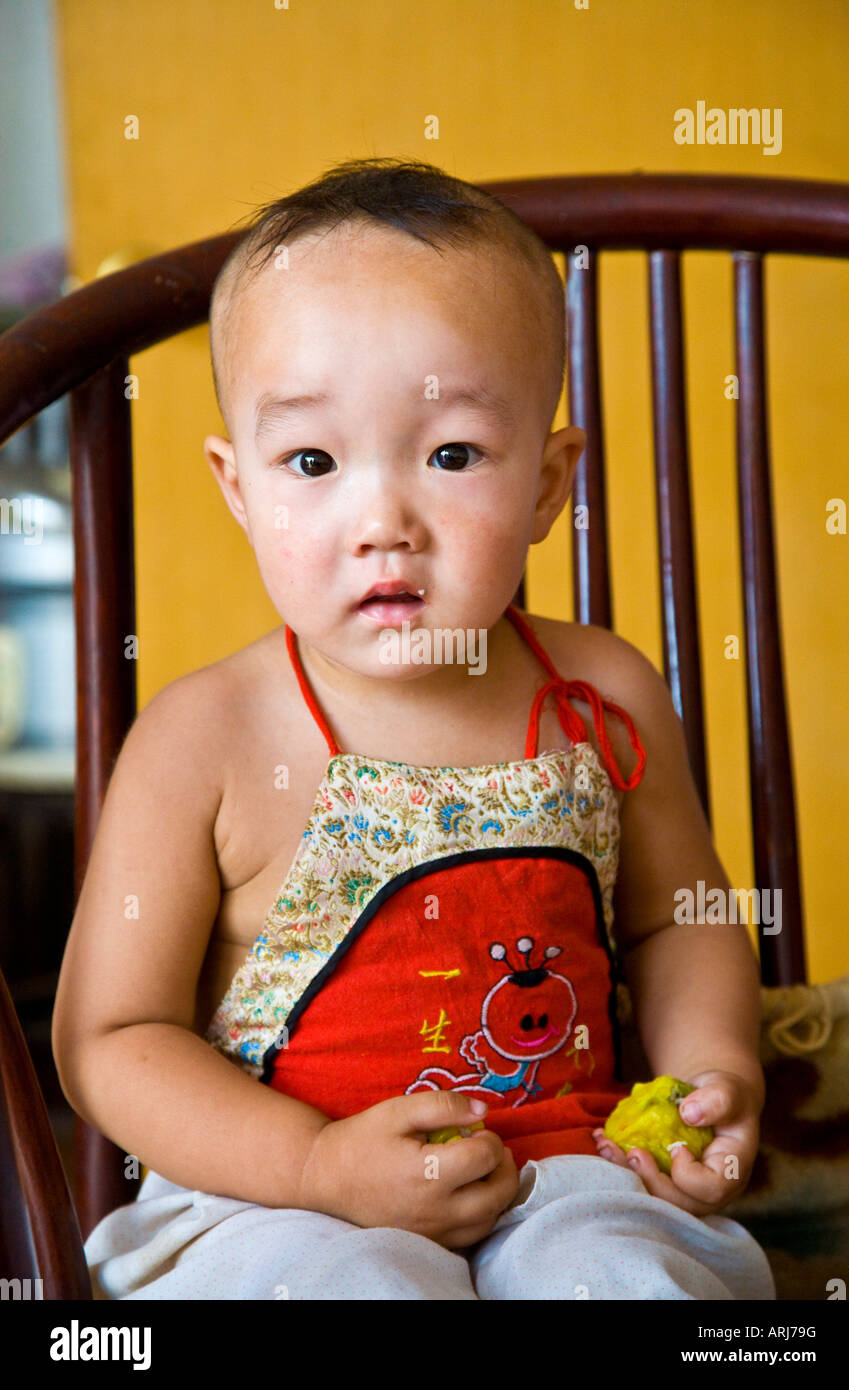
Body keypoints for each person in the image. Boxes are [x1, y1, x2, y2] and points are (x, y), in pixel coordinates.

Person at [53, 157, 775, 1300]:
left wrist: (710, 1071)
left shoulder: (602, 692)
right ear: (238, 487)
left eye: (449, 455)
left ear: (545, 483)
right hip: (270, 1199)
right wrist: (312, 1160)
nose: (382, 521)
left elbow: (676, 924)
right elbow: (109, 1036)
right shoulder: (207, 733)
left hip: (564, 1167)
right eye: (312, 461)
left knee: (622, 1276)